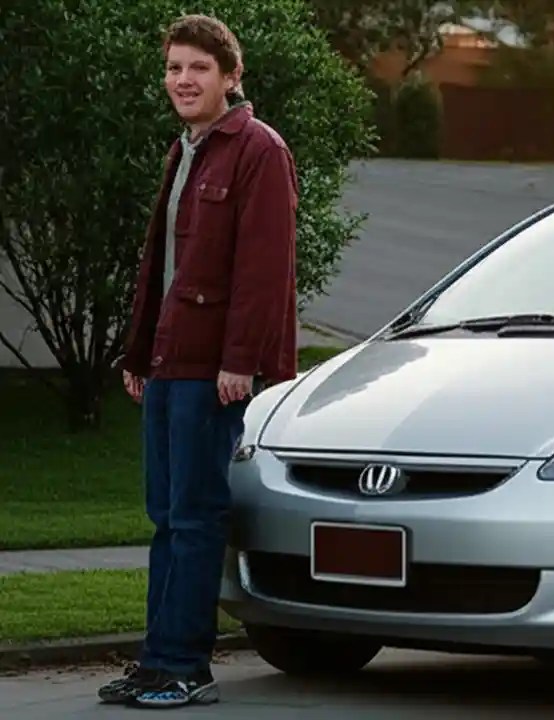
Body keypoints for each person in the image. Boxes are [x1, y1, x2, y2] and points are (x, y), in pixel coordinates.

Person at [98, 13, 299, 709]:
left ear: (231, 76)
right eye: (175, 68)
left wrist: (240, 360)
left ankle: (187, 665)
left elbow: (264, 269)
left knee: (195, 515)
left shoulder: (257, 150)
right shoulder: (187, 148)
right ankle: (156, 663)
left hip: (214, 368)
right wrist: (138, 351)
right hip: (167, 360)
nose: (183, 80)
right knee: (165, 515)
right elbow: (163, 265)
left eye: (199, 69)